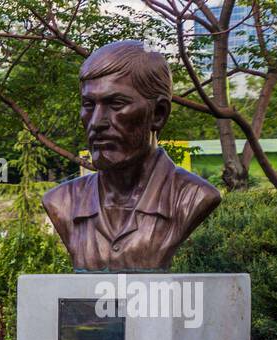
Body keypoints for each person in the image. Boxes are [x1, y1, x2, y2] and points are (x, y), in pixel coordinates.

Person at [43, 41, 220, 271]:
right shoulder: (62, 201)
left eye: (116, 104)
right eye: (88, 105)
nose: (96, 122)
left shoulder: (192, 197)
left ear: (158, 114)